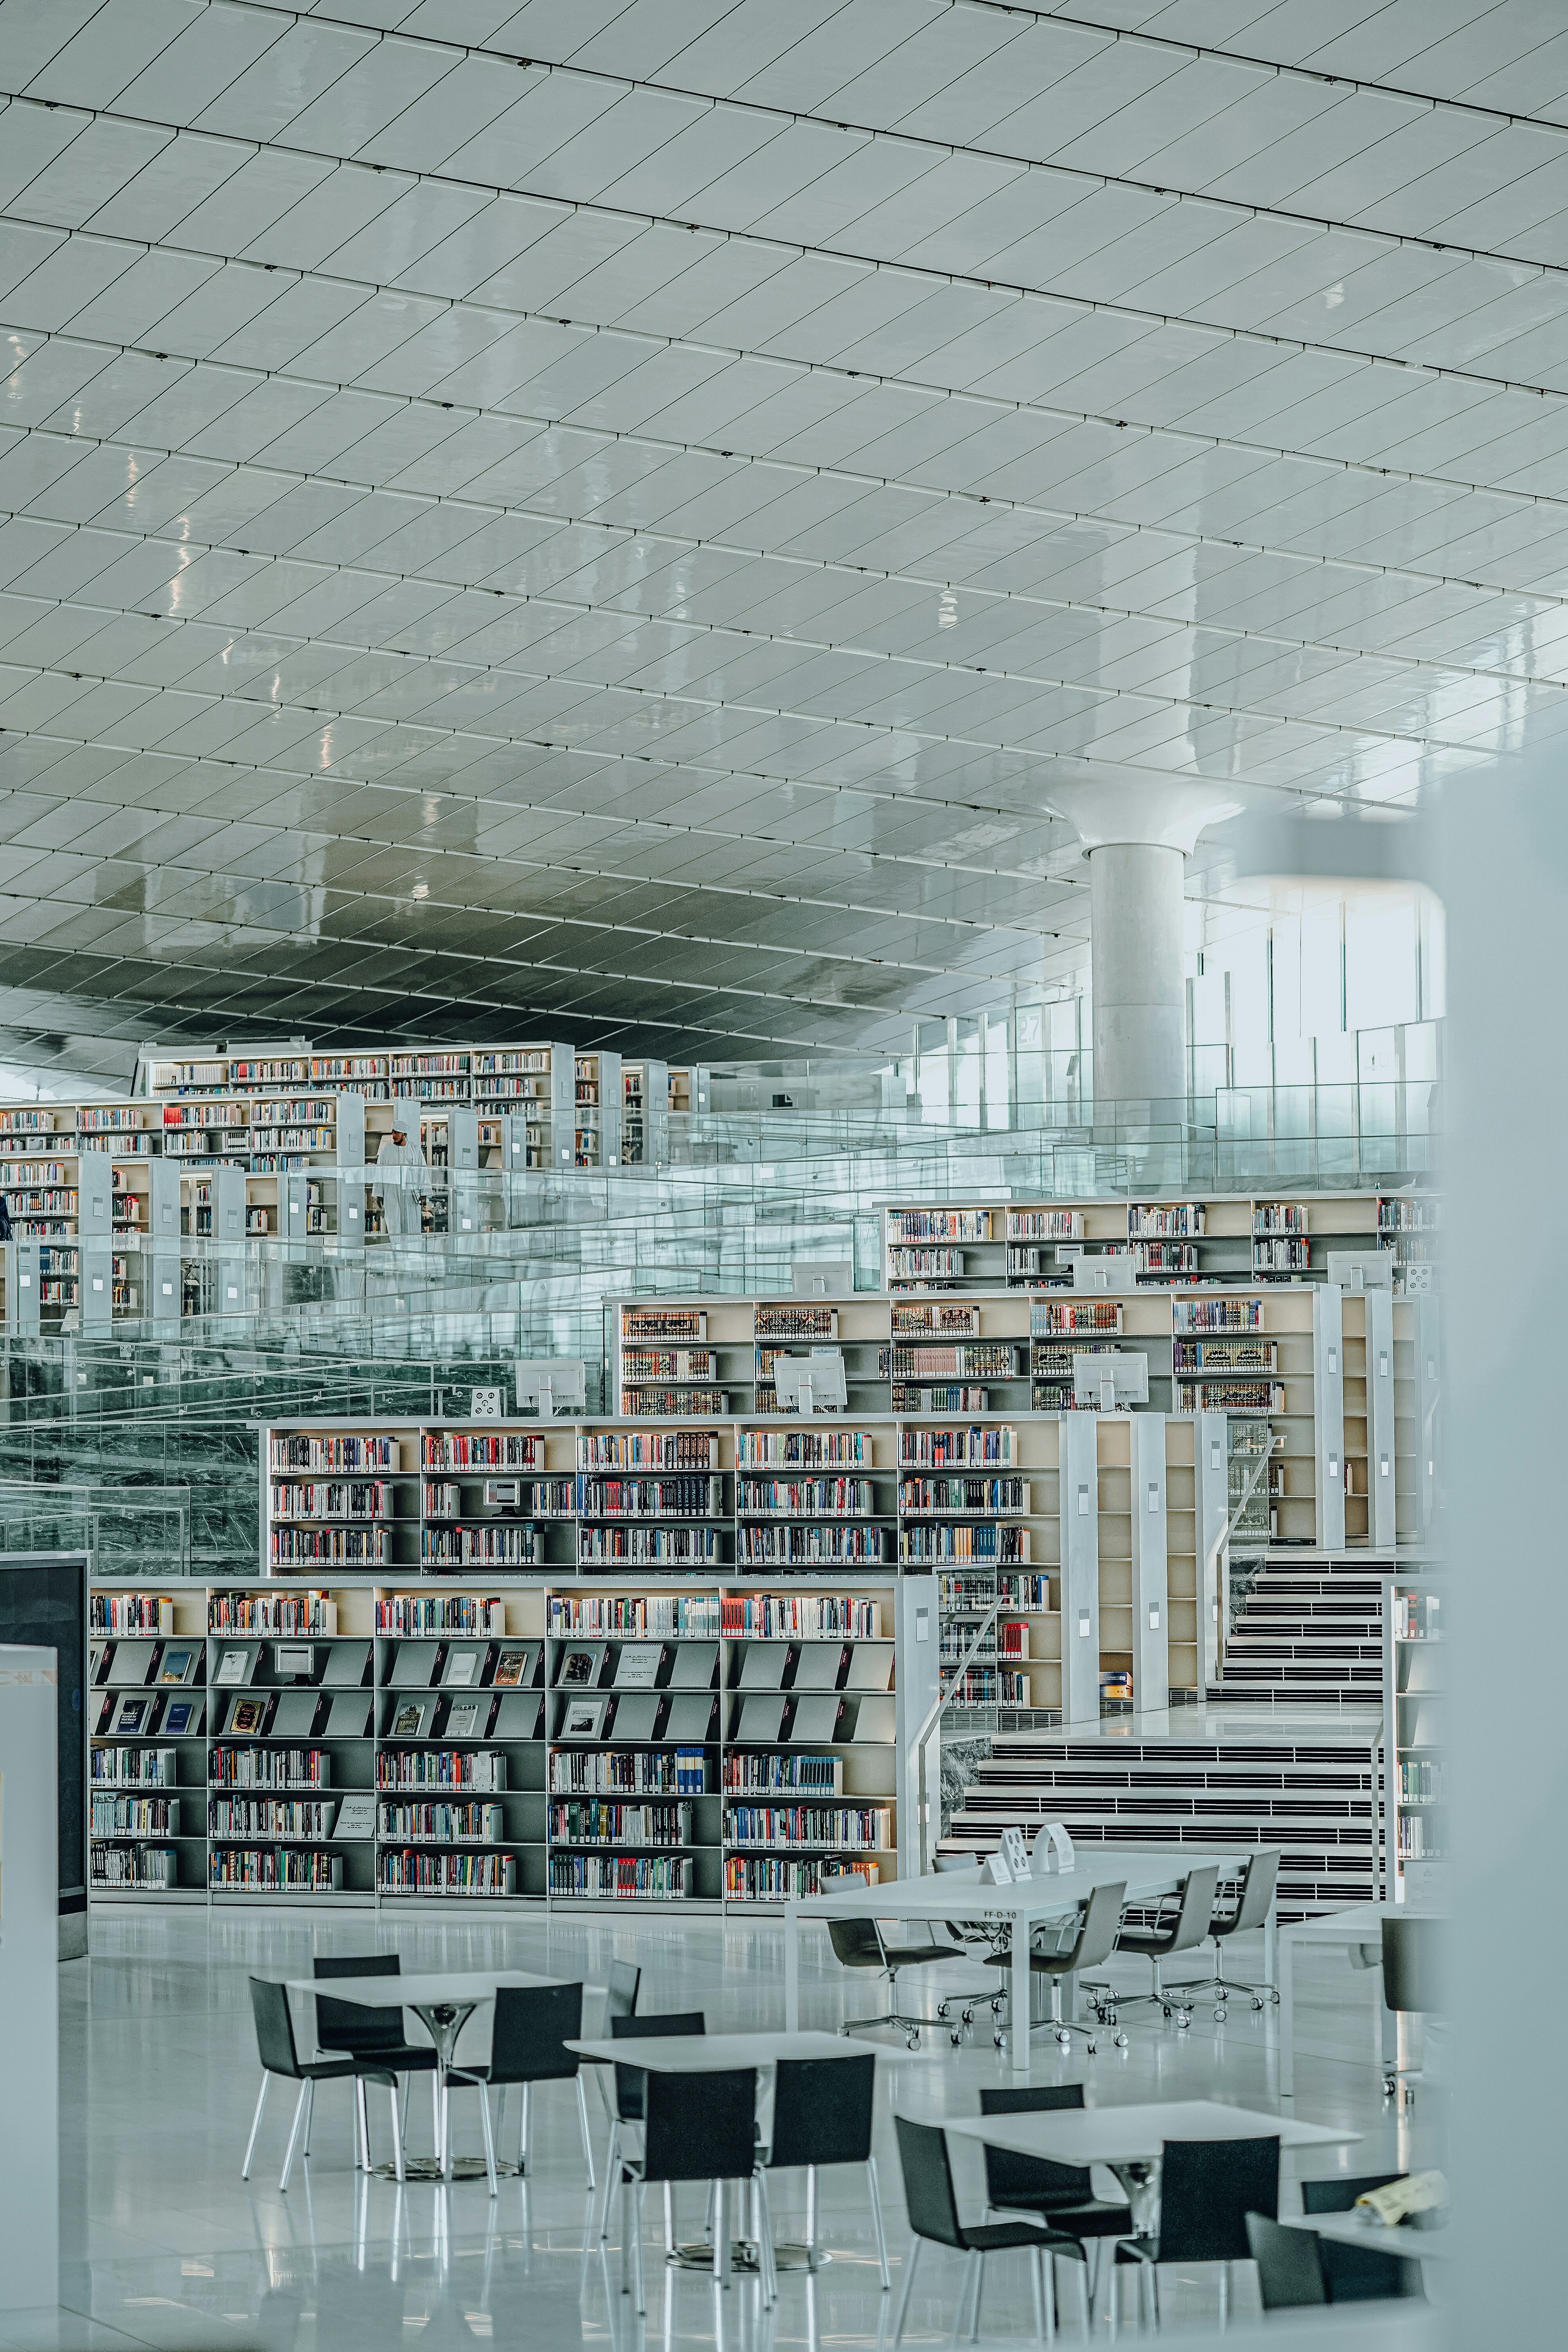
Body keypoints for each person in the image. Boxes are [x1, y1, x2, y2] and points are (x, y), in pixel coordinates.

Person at [373, 1125, 426, 1236]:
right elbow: (379, 1172)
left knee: (410, 1224)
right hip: (391, 1193)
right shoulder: (386, 1150)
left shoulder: (415, 1150)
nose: (394, 1136)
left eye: (397, 1133)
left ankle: (410, 1247)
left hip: (410, 1193)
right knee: (393, 1224)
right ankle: (396, 1247)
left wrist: (424, 1193)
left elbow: (423, 1171)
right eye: (393, 1133)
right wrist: (379, 1194)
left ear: (404, 1134)